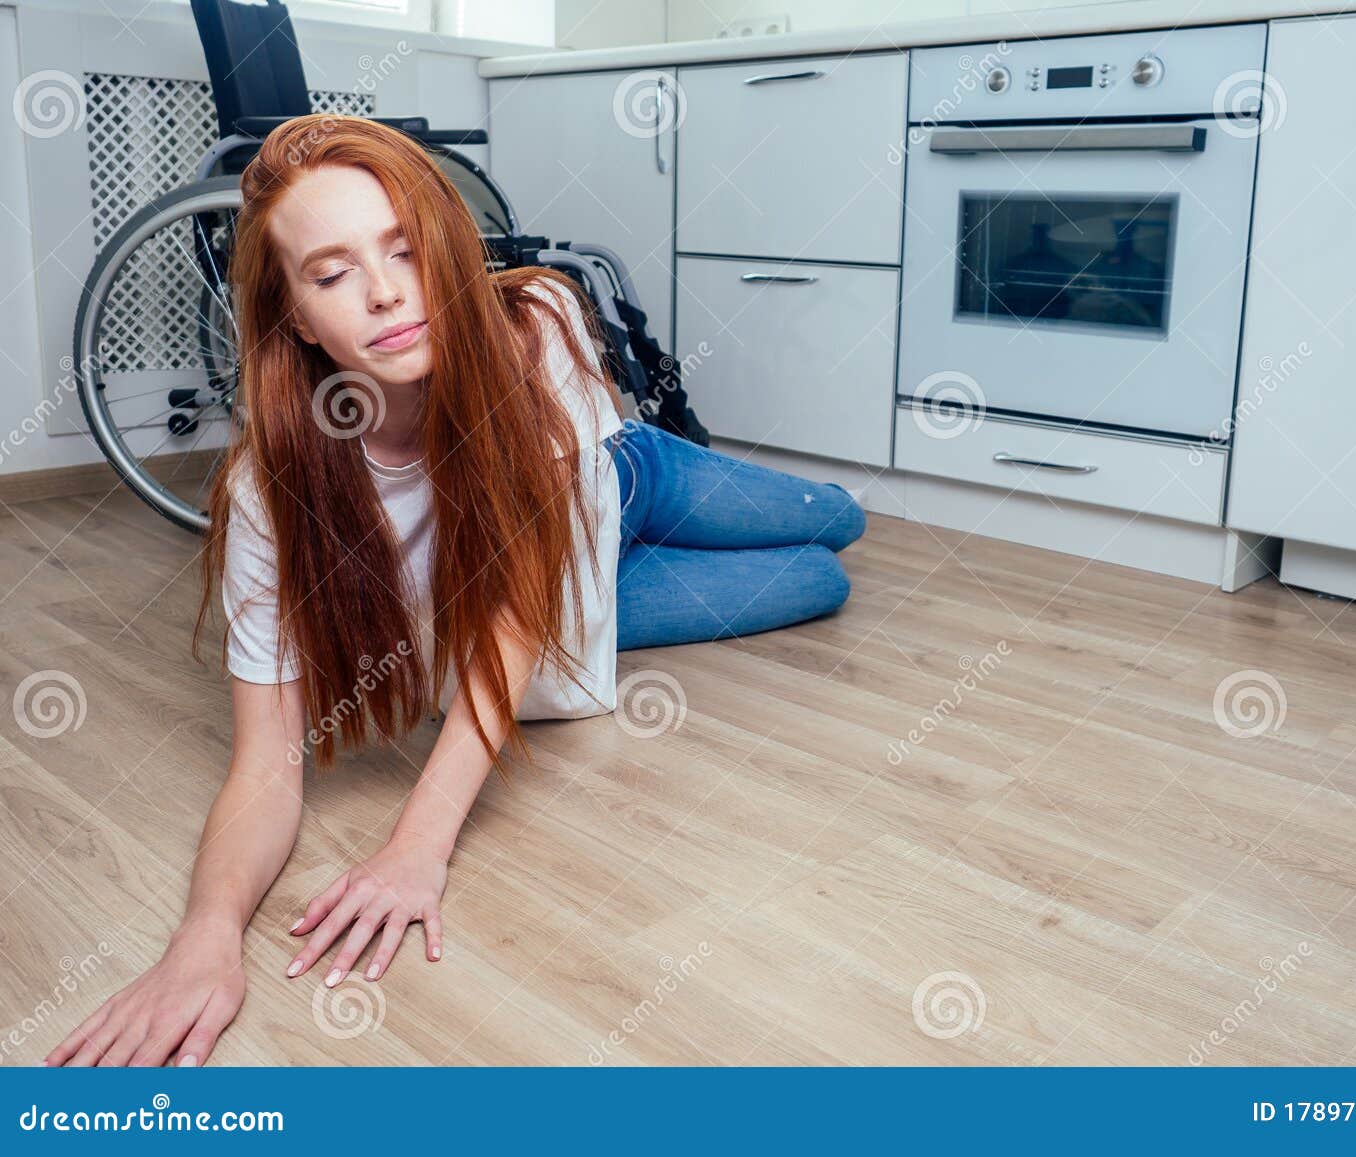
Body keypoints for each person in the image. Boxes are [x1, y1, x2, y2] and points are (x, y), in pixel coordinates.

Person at [41, 115, 865, 1067]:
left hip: (625, 480)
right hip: (571, 592)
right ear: (295, 316)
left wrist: (416, 846)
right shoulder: (271, 490)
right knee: (822, 579)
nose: (386, 291)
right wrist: (206, 934)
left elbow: (510, 608)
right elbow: (266, 766)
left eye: (405, 249)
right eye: (333, 273)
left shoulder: (536, 326)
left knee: (839, 521)